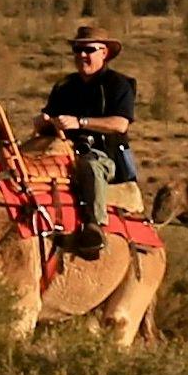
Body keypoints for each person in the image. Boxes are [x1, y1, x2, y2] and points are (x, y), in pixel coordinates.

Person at [41, 24, 144, 255]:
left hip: (104, 156)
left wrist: (80, 123)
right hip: (63, 151)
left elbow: (120, 124)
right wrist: (44, 121)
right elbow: (49, 116)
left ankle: (94, 226)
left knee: (90, 165)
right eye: (77, 50)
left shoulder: (119, 85)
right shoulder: (64, 86)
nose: (82, 56)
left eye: (89, 50)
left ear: (104, 53)